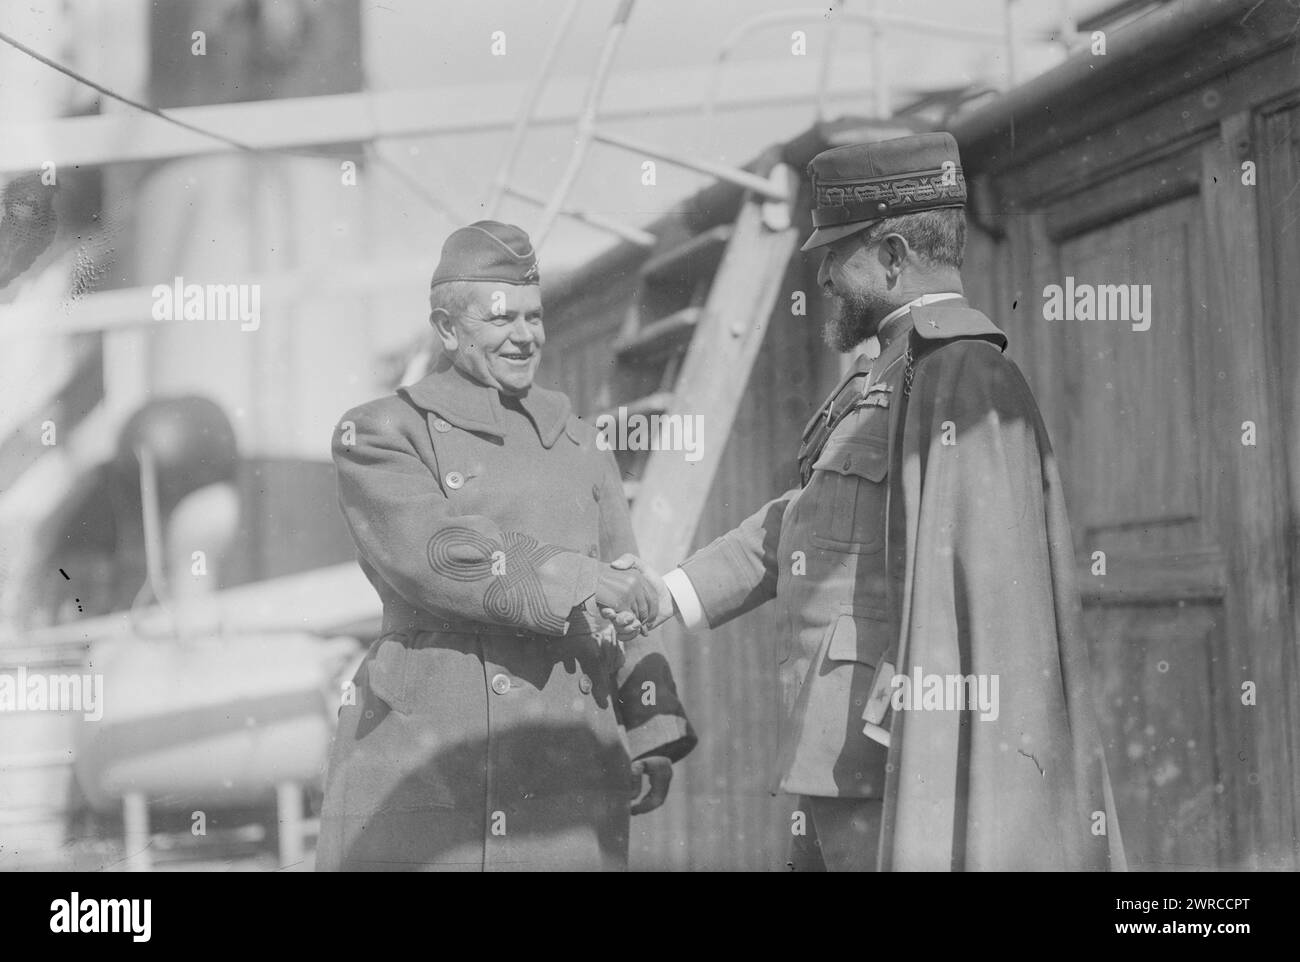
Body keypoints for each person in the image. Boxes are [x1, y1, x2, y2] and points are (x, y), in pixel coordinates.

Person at [620, 132, 1126, 871]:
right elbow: (806, 517)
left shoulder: (962, 374)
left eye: (837, 253)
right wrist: (666, 594)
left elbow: (989, 601)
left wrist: (915, 736)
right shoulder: (885, 374)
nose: (823, 273)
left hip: (896, 764)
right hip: (839, 756)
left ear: (892, 256)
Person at [316, 220, 695, 872]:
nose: (525, 336)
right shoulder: (379, 433)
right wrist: (577, 577)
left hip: (565, 748)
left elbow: (624, 589)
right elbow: (437, 549)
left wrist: (651, 727)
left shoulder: (578, 440)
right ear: (446, 329)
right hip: (432, 752)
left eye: (534, 317)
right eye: (501, 319)